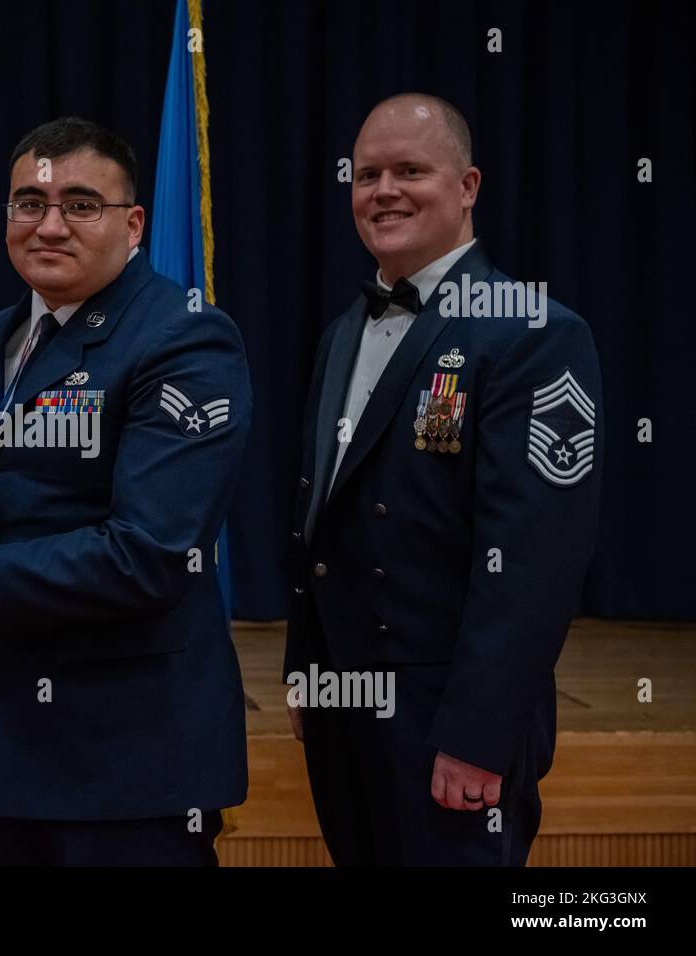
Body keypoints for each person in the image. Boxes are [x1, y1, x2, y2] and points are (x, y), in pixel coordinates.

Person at [0, 117, 251, 866]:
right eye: (29, 202)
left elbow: (146, 555)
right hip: (10, 745)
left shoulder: (184, 337)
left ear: (133, 225)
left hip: (133, 760)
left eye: (81, 204)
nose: (50, 225)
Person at [285, 93, 602, 865]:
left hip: (446, 719)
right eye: (366, 175)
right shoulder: (342, 332)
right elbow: (322, 521)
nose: (383, 191)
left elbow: (533, 563)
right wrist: (307, 674)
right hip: (343, 707)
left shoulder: (532, 330)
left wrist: (479, 734)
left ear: (467, 187)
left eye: (409, 171)